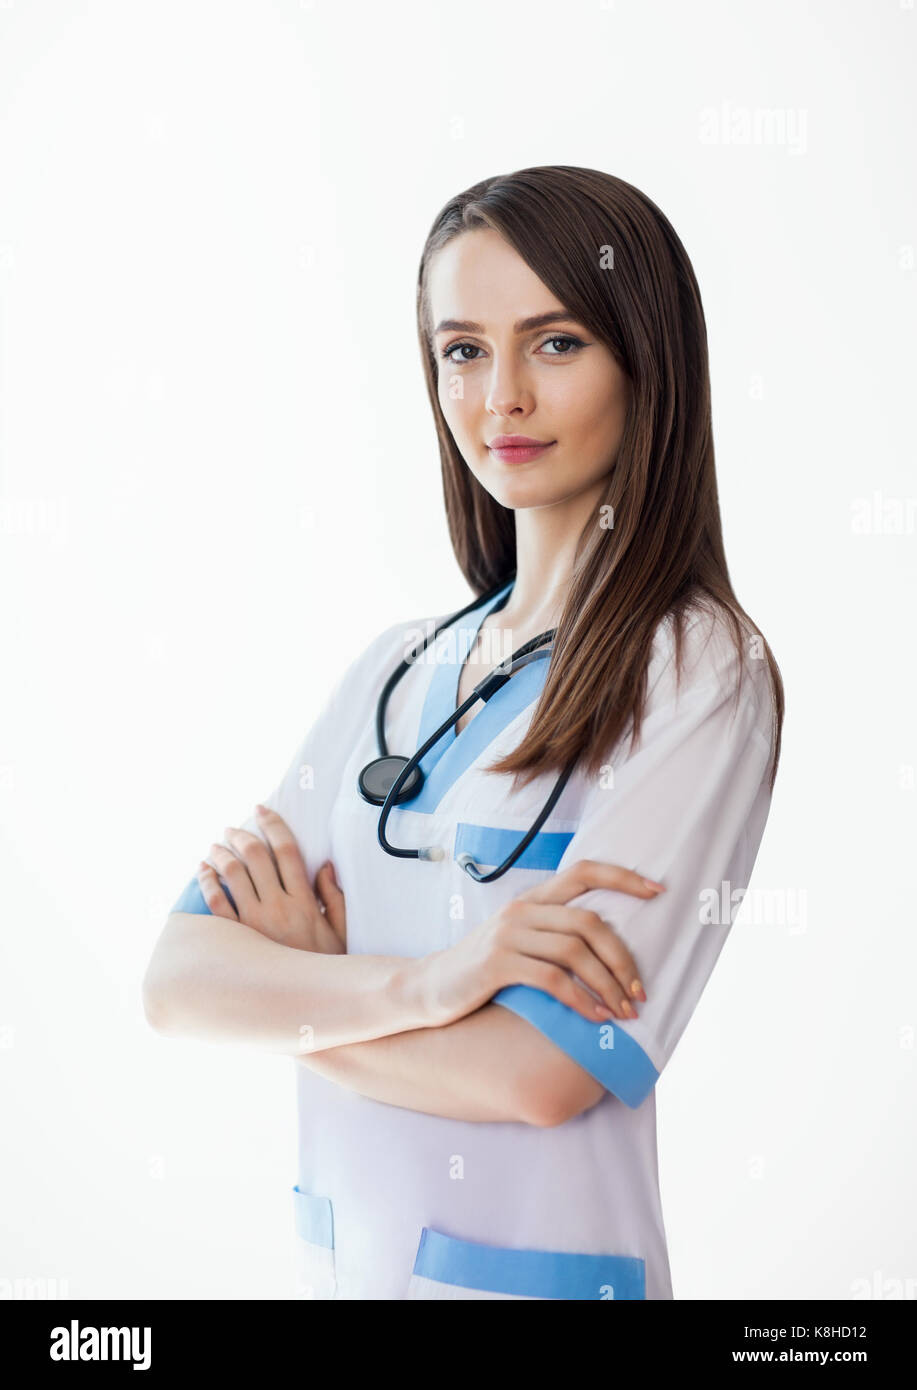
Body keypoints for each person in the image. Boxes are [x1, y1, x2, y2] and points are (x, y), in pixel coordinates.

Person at [142, 165, 784, 1301]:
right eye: (462, 350)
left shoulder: (696, 671)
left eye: (554, 343)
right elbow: (179, 981)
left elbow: (542, 1073)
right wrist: (436, 985)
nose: (500, 401)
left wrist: (300, 986)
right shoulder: (394, 667)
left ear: (649, 361)